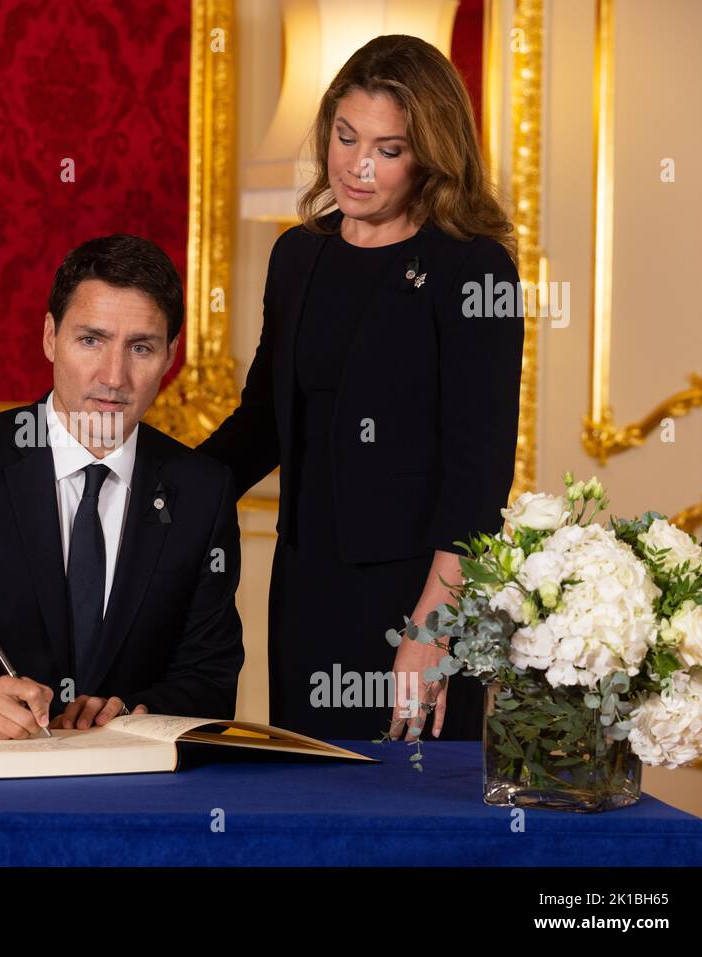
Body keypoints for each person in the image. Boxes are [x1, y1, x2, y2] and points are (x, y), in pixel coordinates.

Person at [198, 35, 523, 743]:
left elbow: (479, 472)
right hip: (307, 584)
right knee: (313, 806)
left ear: (431, 155)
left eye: (389, 148)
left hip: (422, 592)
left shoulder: (474, 268)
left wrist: (433, 630)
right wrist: (160, 487)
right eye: (345, 137)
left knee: (415, 821)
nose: (358, 165)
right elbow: (266, 421)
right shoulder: (298, 253)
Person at [0, 235, 244, 738]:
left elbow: (210, 677)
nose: (114, 376)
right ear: (49, 337)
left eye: (140, 347)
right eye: (91, 340)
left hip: (134, 792)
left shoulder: (203, 489)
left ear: (169, 356)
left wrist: (131, 714)